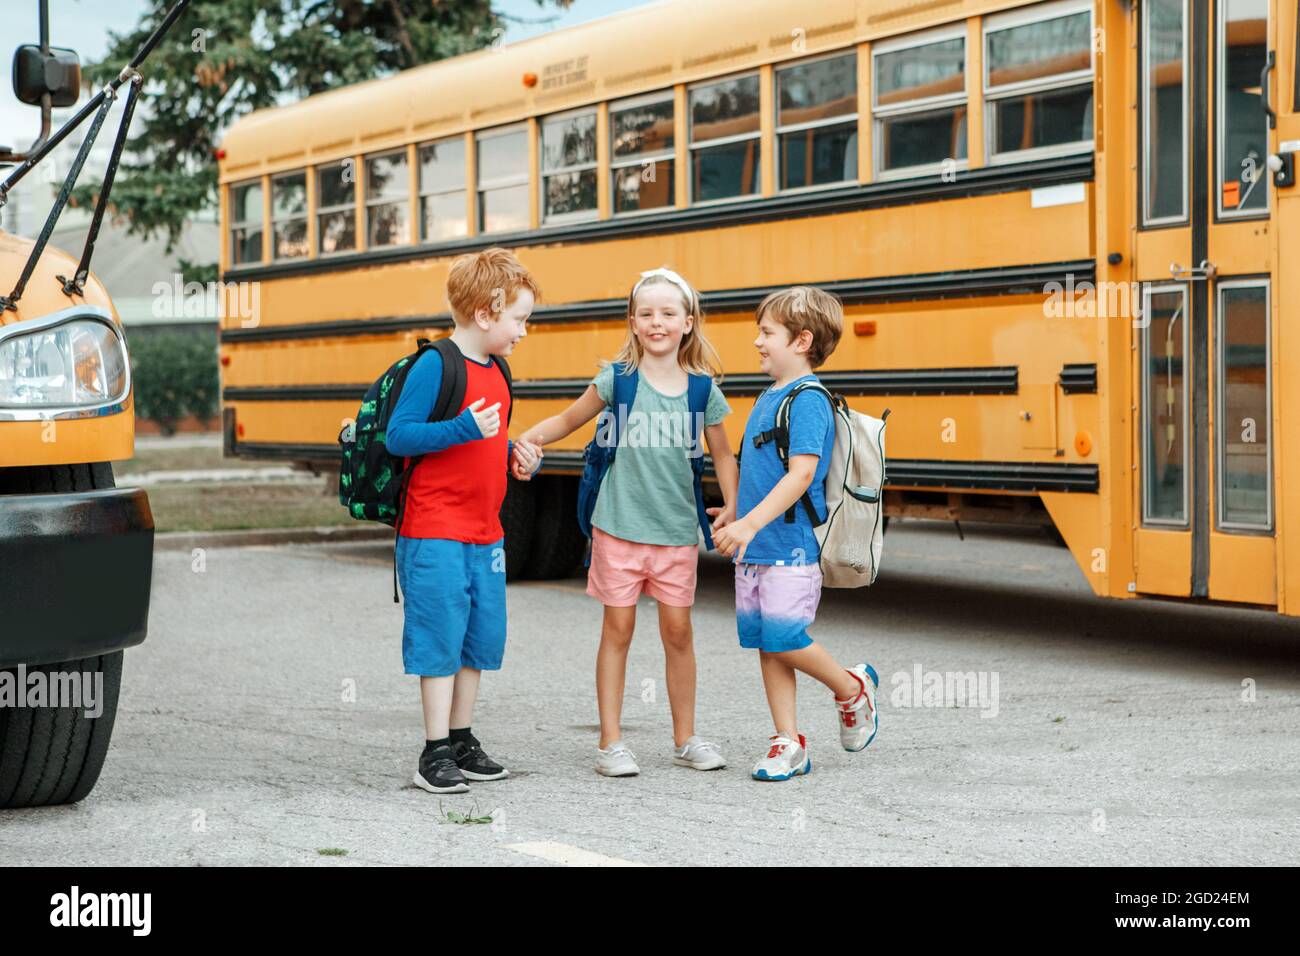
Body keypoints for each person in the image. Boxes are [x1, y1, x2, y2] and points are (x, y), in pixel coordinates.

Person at [515, 268, 738, 777]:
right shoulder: (617, 380)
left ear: (687, 322)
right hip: (617, 526)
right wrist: (526, 440)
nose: (656, 322)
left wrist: (732, 508)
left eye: (667, 313)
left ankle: (686, 737)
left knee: (678, 631)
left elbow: (724, 455)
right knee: (618, 627)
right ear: (633, 323)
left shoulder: (703, 391)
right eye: (647, 314)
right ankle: (610, 742)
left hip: (676, 531)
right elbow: (569, 420)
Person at [386, 247, 541, 794]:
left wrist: (513, 456)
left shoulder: (498, 369)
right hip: (433, 530)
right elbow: (399, 436)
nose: (523, 331)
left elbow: (486, 442)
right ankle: (432, 753)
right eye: (518, 318)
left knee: (478, 639)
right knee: (438, 637)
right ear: (485, 312)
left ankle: (461, 739)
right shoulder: (436, 365)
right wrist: (461, 430)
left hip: (485, 532)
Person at [712, 287, 879, 781]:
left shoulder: (809, 400)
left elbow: (801, 474)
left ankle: (851, 689)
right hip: (756, 545)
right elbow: (763, 468)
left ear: (802, 340)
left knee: (785, 638)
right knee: (769, 644)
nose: (758, 342)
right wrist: (735, 511)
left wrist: (749, 522)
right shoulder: (769, 396)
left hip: (789, 547)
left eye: (767, 333)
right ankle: (788, 742)